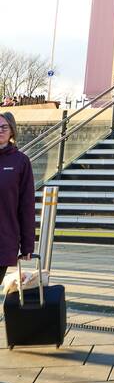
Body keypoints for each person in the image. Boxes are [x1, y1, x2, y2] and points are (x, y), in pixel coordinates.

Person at [0, 112, 35, 286]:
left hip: (4, 239)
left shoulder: (20, 162)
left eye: (4, 127)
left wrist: (28, 244)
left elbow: (26, 206)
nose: (0, 130)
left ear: (12, 130)